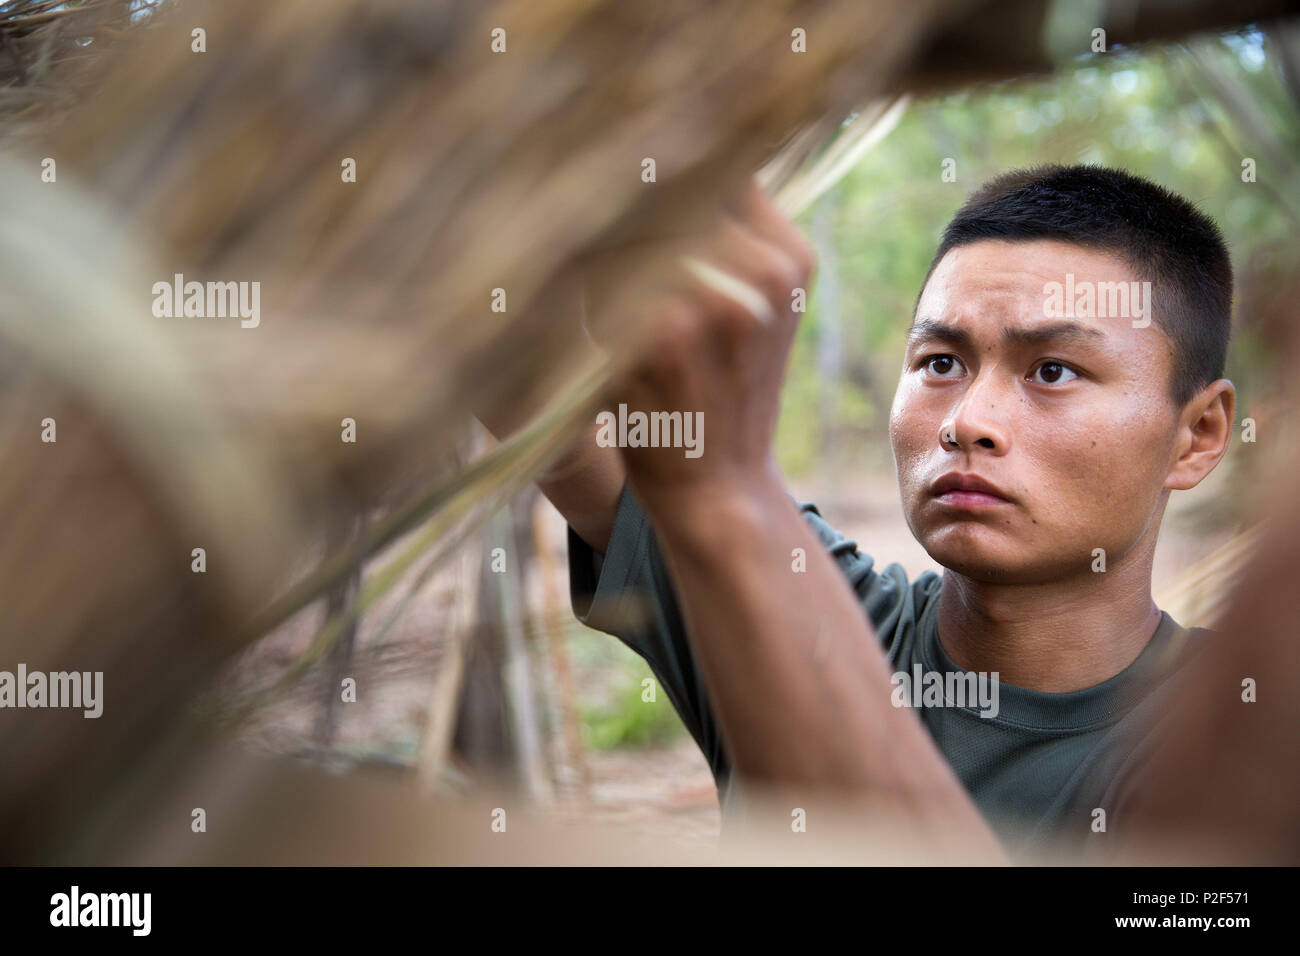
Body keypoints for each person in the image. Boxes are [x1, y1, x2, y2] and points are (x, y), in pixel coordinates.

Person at [495, 164, 1236, 859]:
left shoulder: (1239, 743)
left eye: (1052, 370)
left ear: (1196, 435)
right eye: (941, 363)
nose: (968, 421)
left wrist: (724, 491)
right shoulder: (791, 616)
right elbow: (520, 374)